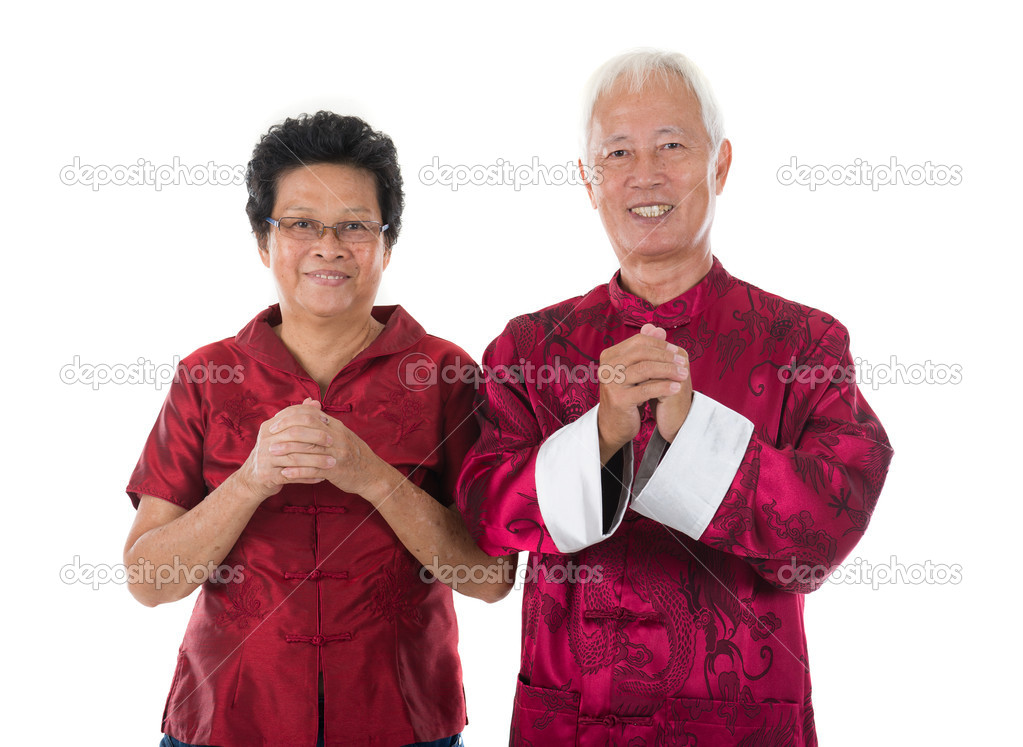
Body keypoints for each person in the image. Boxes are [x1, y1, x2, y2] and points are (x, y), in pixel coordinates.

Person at [456, 50, 893, 746]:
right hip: (570, 719)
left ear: (719, 165)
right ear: (587, 180)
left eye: (671, 145)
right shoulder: (528, 349)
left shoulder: (802, 342)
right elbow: (485, 515)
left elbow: (823, 536)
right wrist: (598, 435)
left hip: (739, 722)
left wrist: (697, 433)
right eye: (618, 152)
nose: (645, 174)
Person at [124, 111, 513, 747]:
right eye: (301, 224)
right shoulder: (206, 375)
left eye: (355, 226)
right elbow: (148, 581)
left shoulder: (447, 373)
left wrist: (370, 475)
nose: (328, 246)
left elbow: (490, 578)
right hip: (225, 721)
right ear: (263, 241)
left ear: (386, 245)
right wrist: (250, 481)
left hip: (403, 724)